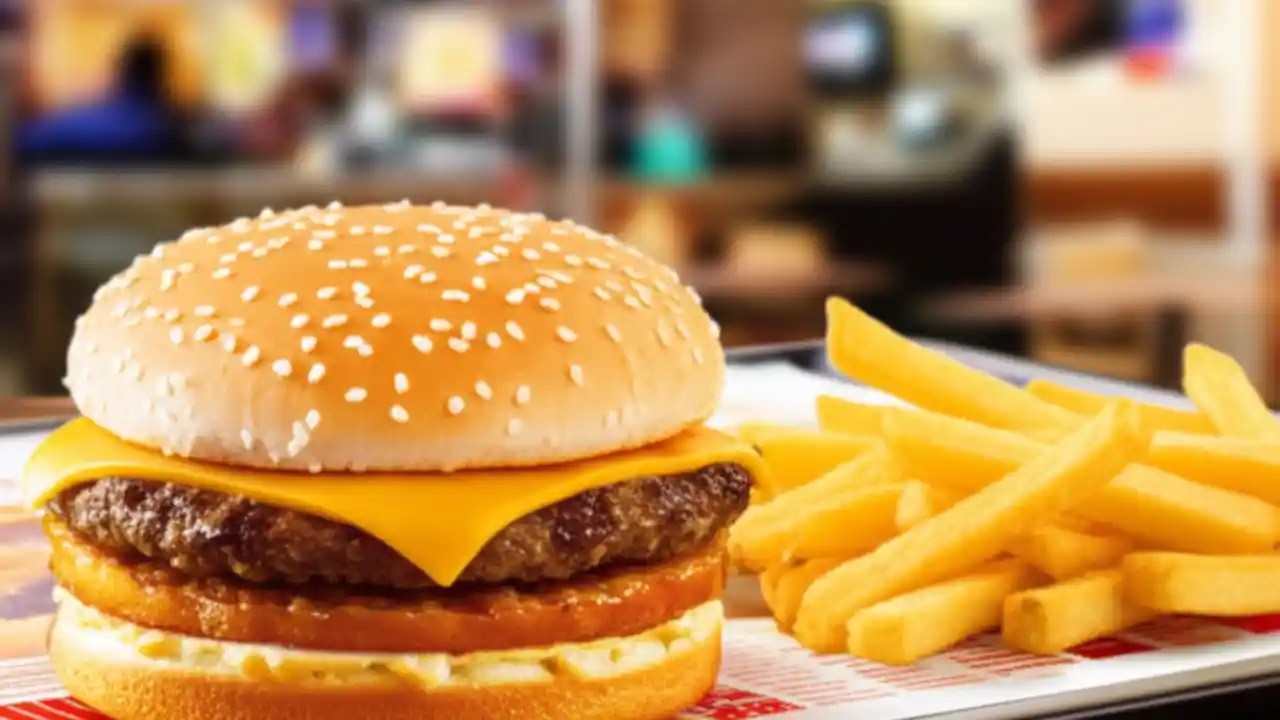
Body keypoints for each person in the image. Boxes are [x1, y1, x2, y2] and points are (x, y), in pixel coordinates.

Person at [18, 34, 187, 163]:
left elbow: (28, 140)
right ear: (159, 80)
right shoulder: (160, 131)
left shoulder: (77, 122)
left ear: (122, 73)